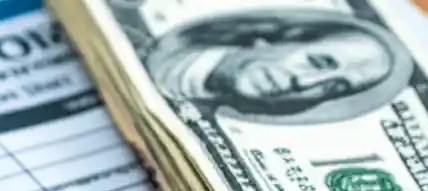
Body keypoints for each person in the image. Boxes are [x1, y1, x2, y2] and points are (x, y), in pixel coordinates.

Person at [143, 11, 412, 122]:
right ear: (275, 39)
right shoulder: (160, 52)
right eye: (318, 62)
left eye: (334, 86)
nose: (304, 83)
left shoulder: (206, 113)